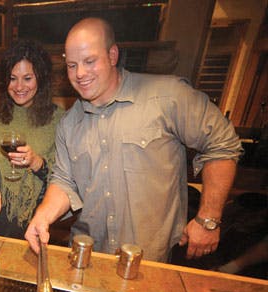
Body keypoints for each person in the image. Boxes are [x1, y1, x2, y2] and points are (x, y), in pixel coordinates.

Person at [25, 17, 243, 262]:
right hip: (89, 257)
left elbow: (222, 145)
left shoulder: (168, 96)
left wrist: (208, 219)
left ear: (113, 55)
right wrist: (43, 216)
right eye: (72, 65)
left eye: (89, 61)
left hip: (152, 260)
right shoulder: (68, 123)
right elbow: (65, 181)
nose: (80, 73)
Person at [0, 40, 64, 238]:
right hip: (0, 211)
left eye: (27, 78)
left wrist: (36, 162)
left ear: (40, 79)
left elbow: (63, 178)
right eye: (12, 78)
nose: (19, 86)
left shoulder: (58, 119)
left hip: (42, 214)